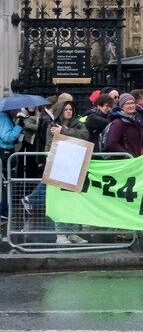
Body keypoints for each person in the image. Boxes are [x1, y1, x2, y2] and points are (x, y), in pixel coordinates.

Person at [23, 99, 91, 243]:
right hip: (59, 167)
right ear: (60, 111)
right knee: (60, 201)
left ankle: (72, 232)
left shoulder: (79, 124)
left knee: (73, 201)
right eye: (66, 109)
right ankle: (60, 234)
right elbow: (50, 145)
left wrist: (64, 132)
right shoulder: (52, 126)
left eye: (71, 110)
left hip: (74, 166)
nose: (68, 112)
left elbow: (85, 136)